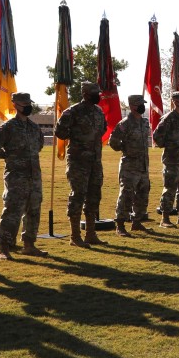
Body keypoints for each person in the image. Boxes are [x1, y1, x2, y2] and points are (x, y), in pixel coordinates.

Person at [0, 92, 47, 260]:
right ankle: (3, 247)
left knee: (34, 210)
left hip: (34, 175)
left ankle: (29, 244)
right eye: (24, 104)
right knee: (13, 210)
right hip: (16, 177)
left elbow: (39, 146)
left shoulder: (35, 128)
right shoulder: (7, 128)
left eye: (29, 103)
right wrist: (8, 157)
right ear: (15, 105)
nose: (28, 106)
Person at [54, 81, 108, 247]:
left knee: (94, 197)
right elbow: (60, 132)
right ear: (85, 94)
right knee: (78, 196)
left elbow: (103, 129)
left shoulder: (98, 112)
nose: (98, 95)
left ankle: (90, 234)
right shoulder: (72, 112)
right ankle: (75, 236)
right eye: (94, 93)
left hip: (95, 161)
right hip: (78, 162)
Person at [109, 95, 151, 237]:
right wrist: (125, 149)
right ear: (132, 106)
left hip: (143, 165)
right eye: (139, 104)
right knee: (126, 195)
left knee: (142, 194)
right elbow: (113, 141)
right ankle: (120, 225)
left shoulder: (145, 122)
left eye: (142, 103)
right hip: (129, 166)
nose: (142, 106)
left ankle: (137, 222)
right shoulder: (125, 123)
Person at [153, 91, 179, 227]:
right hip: (172, 160)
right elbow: (157, 136)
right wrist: (169, 146)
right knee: (170, 189)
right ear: (175, 102)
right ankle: (165, 218)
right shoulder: (168, 118)